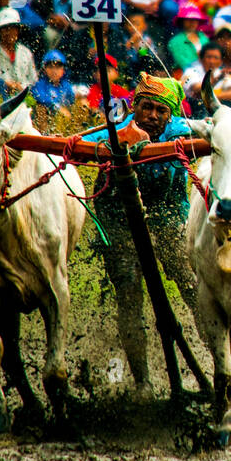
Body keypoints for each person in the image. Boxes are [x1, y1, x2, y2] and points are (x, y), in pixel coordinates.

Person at [81, 74, 199, 395]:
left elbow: (209, 136)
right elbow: (82, 147)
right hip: (120, 222)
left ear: (170, 115)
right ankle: (142, 382)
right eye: (147, 108)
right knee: (130, 295)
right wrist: (113, 146)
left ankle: (223, 364)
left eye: (161, 111)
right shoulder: (116, 130)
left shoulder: (182, 134)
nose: (152, 116)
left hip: (167, 219)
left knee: (192, 287)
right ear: (135, 106)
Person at [32, 49, 76, 131]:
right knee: (41, 109)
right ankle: (45, 137)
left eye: (58, 67)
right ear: (45, 69)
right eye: (51, 67)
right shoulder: (40, 84)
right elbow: (42, 101)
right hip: (47, 118)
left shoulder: (66, 85)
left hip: (63, 119)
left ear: (63, 70)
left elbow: (72, 102)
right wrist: (58, 108)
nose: (54, 70)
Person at [167, 4, 208, 73]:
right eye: (189, 19)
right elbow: (183, 63)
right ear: (182, 21)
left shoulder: (203, 37)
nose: (192, 22)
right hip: (187, 73)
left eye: (195, 19)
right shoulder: (175, 41)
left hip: (207, 70)